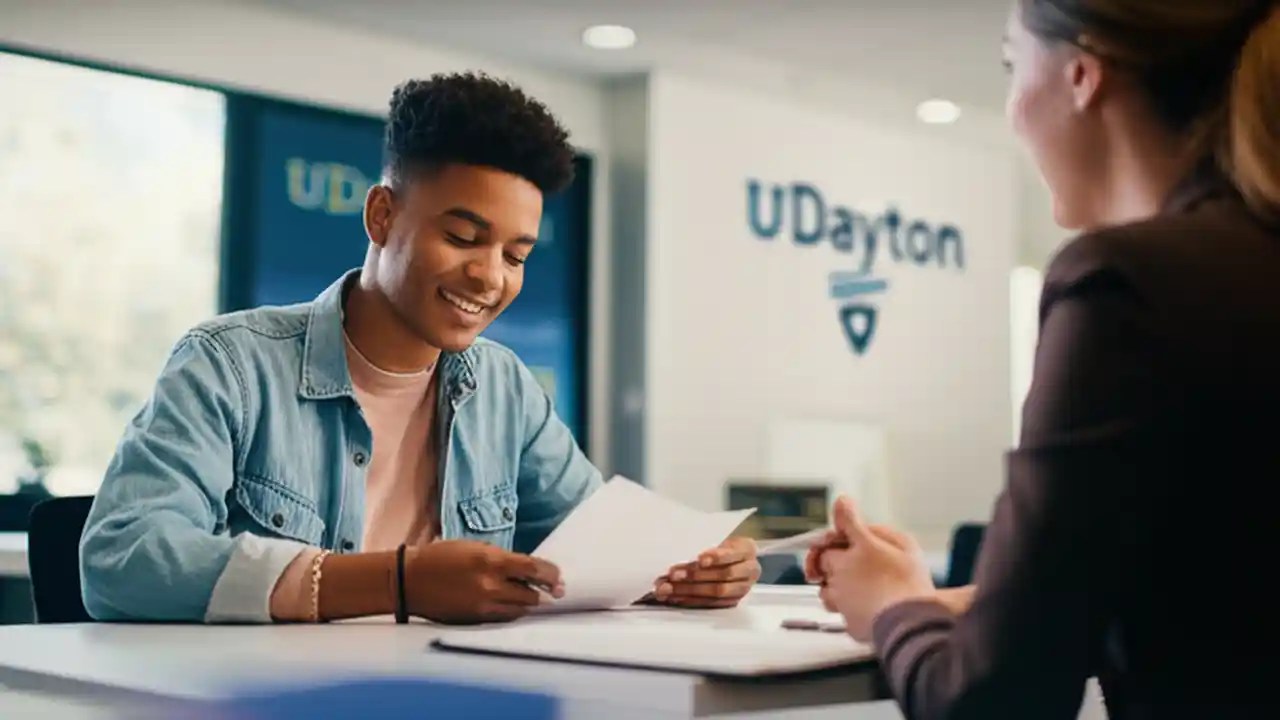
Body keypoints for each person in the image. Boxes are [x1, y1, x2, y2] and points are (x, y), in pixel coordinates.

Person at [80, 73, 760, 625]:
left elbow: (597, 548)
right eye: (464, 239)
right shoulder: (229, 364)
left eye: (516, 255)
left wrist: (681, 572)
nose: (490, 277)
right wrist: (395, 583)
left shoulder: (504, 387)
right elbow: (124, 559)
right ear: (381, 215)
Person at [808, 1, 1280, 717]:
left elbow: (994, 701)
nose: (1010, 107)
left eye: (1010, 63)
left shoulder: (1127, 285)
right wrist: (987, 599)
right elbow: (1222, 584)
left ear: (1082, 75)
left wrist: (892, 609)